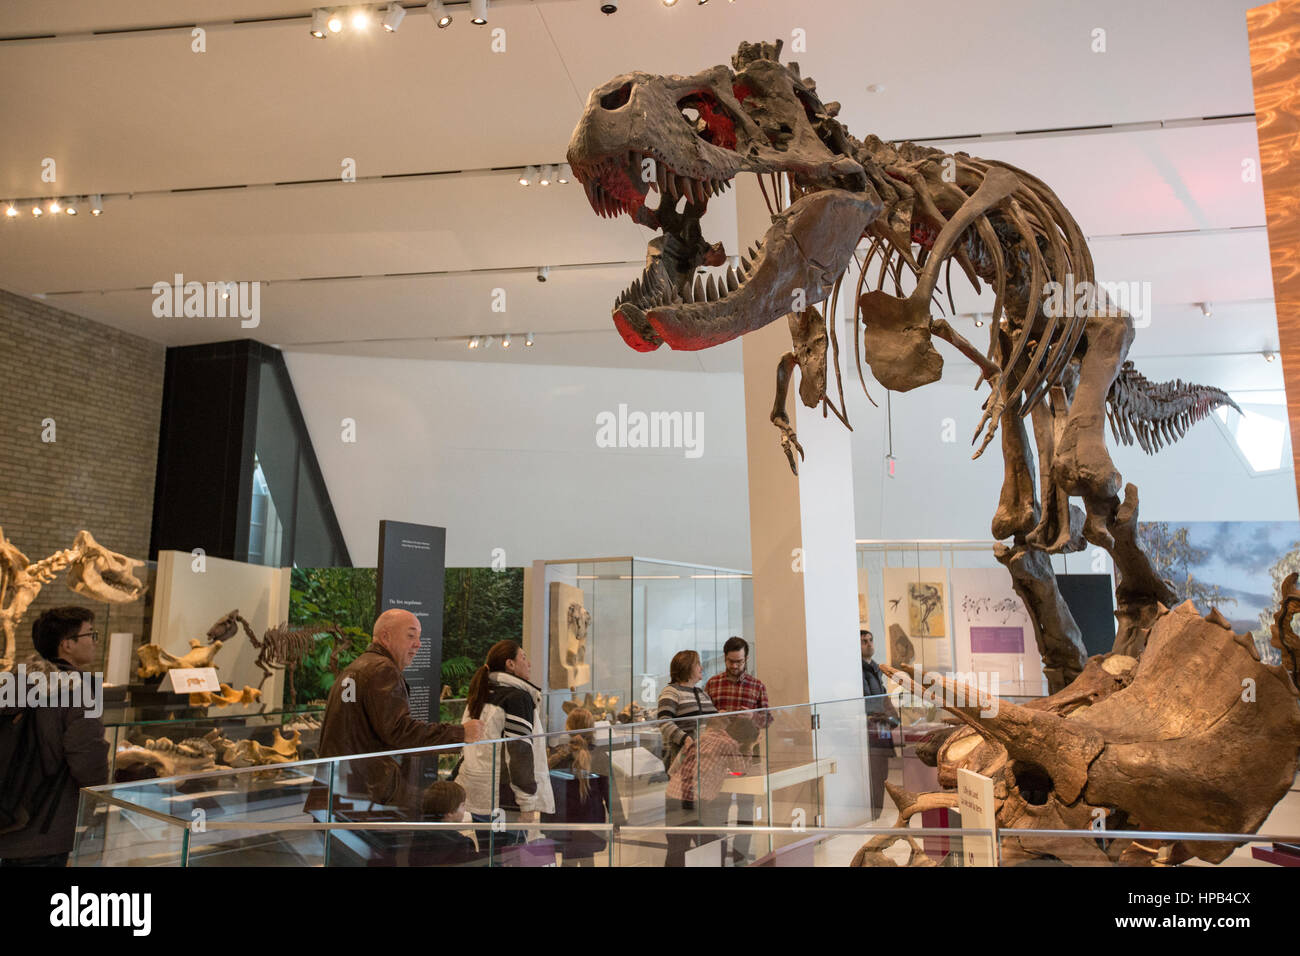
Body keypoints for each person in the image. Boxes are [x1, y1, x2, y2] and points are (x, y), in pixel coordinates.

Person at [319, 609, 483, 809]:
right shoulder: (382, 669)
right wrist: (460, 733)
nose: (418, 644)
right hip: (366, 798)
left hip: (340, 791)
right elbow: (400, 732)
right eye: (411, 635)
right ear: (386, 636)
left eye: (419, 637)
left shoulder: (354, 668)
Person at [0, 607, 108, 867]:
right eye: (90, 635)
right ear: (67, 645)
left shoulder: (15, 682)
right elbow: (88, 762)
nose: (95, 642)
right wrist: (101, 802)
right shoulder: (79, 690)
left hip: (7, 821)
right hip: (45, 828)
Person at [458, 640, 554, 854]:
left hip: (479, 795)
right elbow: (520, 753)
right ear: (510, 664)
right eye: (523, 657)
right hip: (505, 798)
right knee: (509, 857)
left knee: (486, 855)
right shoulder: (517, 698)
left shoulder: (482, 693)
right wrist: (528, 804)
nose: (528, 664)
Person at [703, 636, 770, 863]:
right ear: (725, 658)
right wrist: (716, 717)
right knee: (717, 808)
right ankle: (718, 857)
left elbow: (768, 719)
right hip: (718, 756)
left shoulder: (757, 685)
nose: (735, 666)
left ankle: (740, 858)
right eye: (731, 661)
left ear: (746, 659)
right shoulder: (712, 684)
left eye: (739, 662)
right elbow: (701, 719)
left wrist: (753, 716)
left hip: (746, 755)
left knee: (745, 808)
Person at [666, 714, 756, 866]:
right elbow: (740, 770)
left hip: (672, 795)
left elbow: (673, 770)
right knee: (714, 849)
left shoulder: (701, 738)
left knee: (677, 850)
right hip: (697, 801)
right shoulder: (728, 743)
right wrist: (751, 748)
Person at [657, 649, 717, 866]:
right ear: (687, 667)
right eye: (698, 664)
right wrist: (685, 740)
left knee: (707, 834)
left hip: (705, 771)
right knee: (678, 837)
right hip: (682, 771)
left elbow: (715, 722)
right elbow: (664, 722)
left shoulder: (701, 693)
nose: (701, 668)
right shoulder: (670, 692)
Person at [543, 707, 610, 866]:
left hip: (564, 821)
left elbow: (548, 792)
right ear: (591, 728)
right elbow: (609, 791)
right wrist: (619, 820)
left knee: (568, 861)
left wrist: (545, 822)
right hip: (591, 821)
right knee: (588, 861)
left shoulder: (557, 758)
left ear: (568, 728)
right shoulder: (599, 756)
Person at [861, 627, 900, 821]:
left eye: (870, 640)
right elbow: (871, 704)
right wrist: (884, 714)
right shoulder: (859, 671)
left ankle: (876, 815)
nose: (869, 644)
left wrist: (891, 717)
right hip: (869, 733)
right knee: (873, 778)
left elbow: (883, 700)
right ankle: (873, 816)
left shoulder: (876, 670)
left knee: (881, 777)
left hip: (881, 731)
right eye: (864, 641)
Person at [408, 780, 484, 866]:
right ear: (450, 812)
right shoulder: (459, 842)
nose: (465, 810)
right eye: (462, 805)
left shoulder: (419, 833)